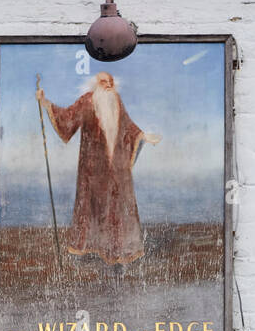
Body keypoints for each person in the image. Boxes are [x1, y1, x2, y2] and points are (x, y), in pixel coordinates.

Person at [36, 71, 161, 265]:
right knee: (92, 208)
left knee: (117, 208)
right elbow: (67, 118)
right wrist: (45, 103)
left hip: (117, 170)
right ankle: (92, 249)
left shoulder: (117, 102)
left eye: (110, 82)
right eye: (104, 82)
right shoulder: (87, 101)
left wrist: (144, 136)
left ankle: (118, 250)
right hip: (92, 170)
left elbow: (129, 127)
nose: (108, 85)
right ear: (96, 85)